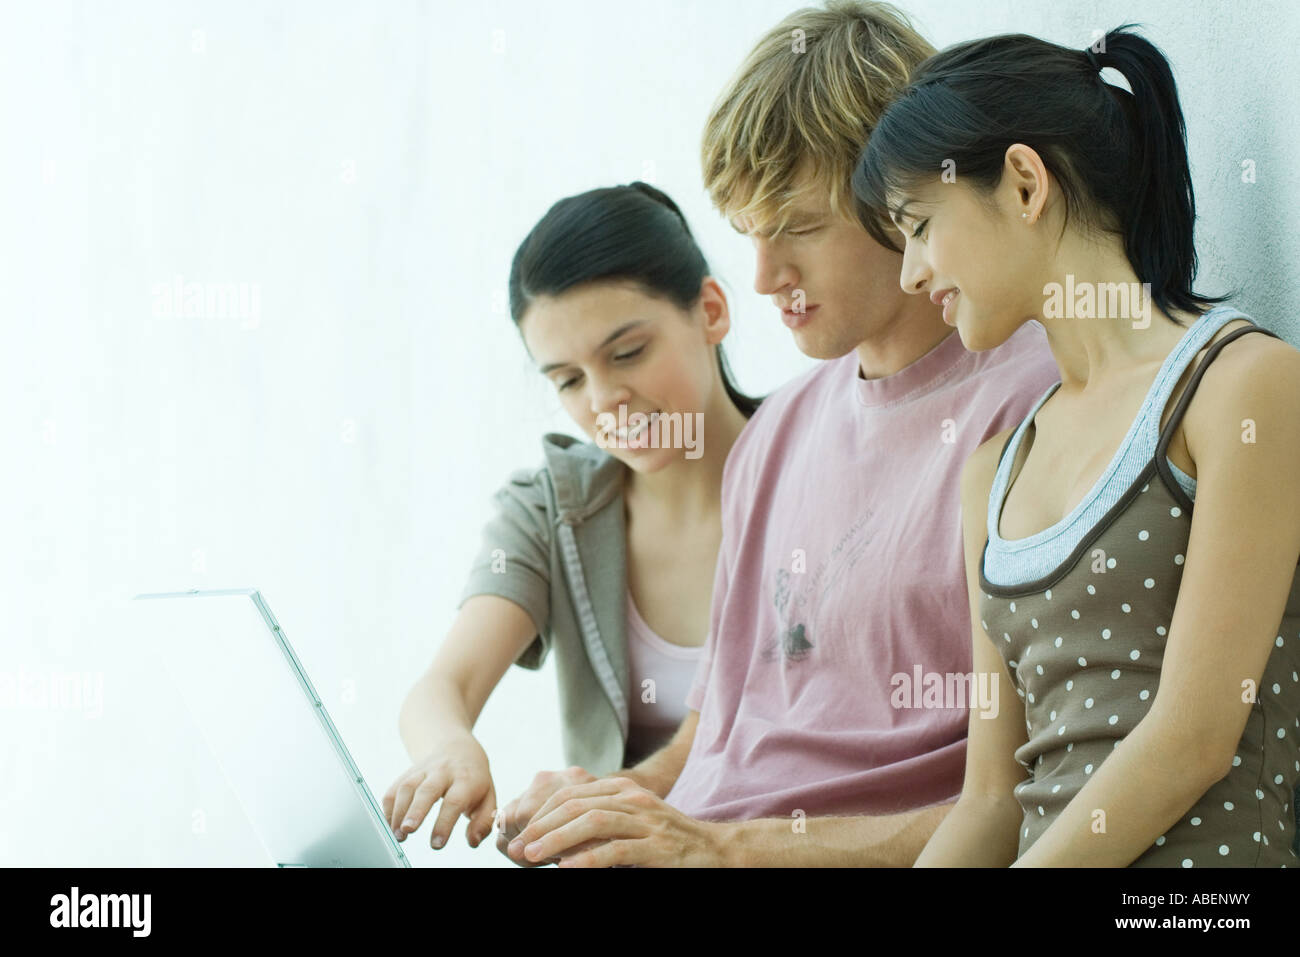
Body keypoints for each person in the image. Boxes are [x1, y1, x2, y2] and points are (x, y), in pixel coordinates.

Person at [498, 0, 1062, 867]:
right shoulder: (778, 432)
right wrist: (613, 803)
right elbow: (717, 726)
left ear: (905, 192)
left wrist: (721, 848)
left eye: (798, 226)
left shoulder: (1033, 408)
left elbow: (1029, 803)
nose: (763, 276)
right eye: (748, 234)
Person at [853, 24, 1300, 866]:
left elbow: (1194, 736)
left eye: (918, 226)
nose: (911, 273)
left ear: (1024, 183)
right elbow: (988, 801)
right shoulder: (991, 470)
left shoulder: (1243, 387)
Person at [382, 181, 760, 852]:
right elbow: (445, 684)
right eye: (568, 380)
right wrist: (451, 748)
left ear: (710, 310)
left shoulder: (818, 463)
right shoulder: (553, 507)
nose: (606, 398)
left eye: (627, 353)